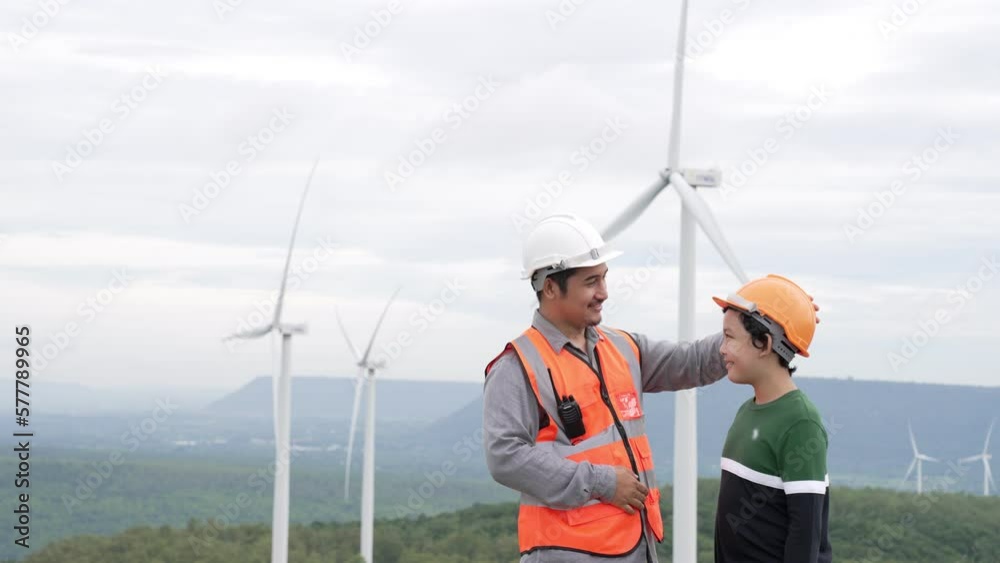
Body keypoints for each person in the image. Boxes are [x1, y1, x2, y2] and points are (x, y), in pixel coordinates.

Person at [483, 213, 730, 563]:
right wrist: (600, 482)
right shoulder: (517, 366)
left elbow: (692, 362)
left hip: (635, 546)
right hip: (567, 553)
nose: (604, 293)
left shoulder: (623, 348)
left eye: (604, 278)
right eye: (590, 282)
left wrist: (749, 326)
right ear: (550, 287)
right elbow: (504, 457)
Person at [712, 275, 833, 563]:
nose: (721, 349)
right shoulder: (747, 410)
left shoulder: (800, 422)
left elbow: (805, 532)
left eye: (729, 337)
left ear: (764, 344)